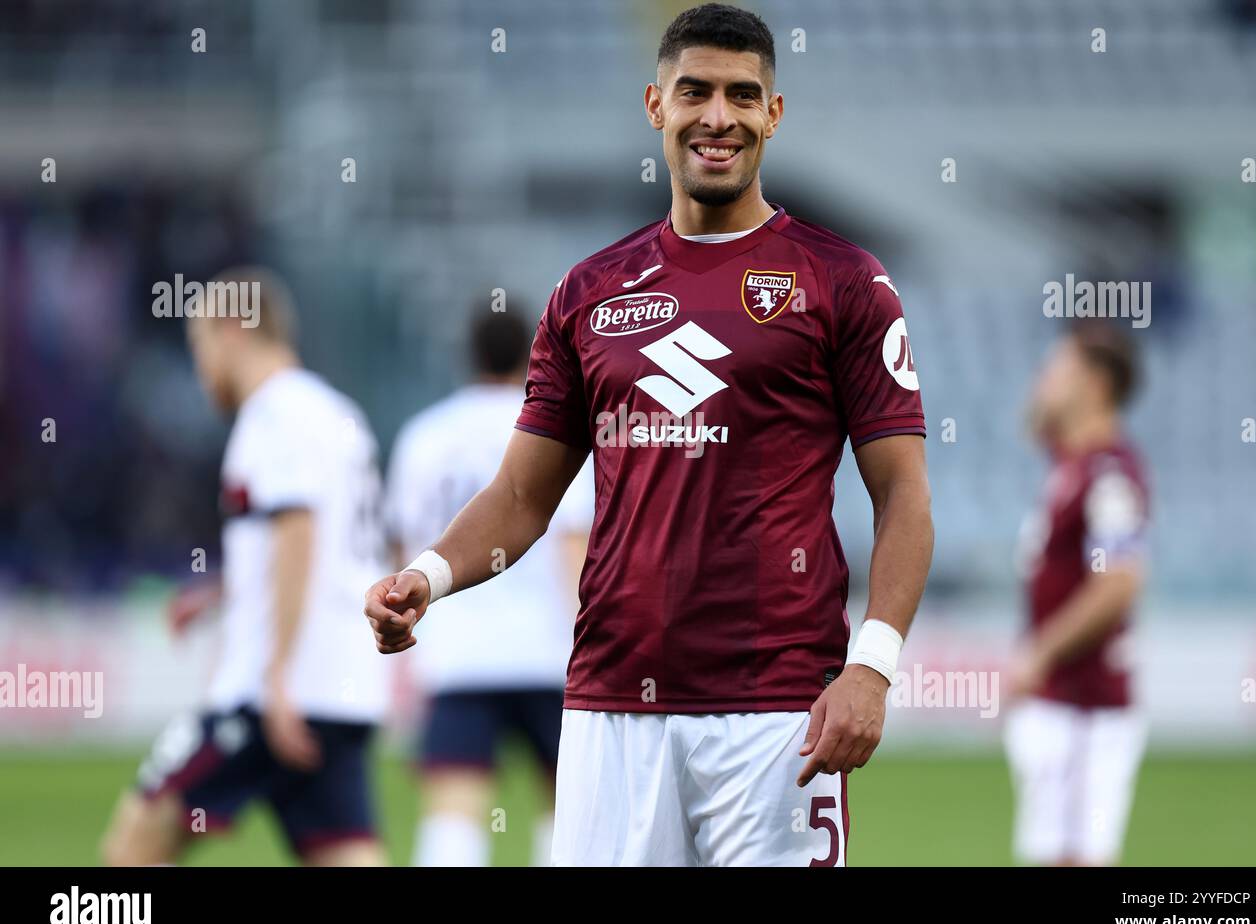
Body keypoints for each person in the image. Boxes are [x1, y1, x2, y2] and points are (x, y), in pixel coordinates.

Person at [364, 3, 933, 866]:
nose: (718, 117)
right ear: (654, 105)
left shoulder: (845, 282)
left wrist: (873, 666)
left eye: (743, 96)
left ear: (773, 115)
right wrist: (425, 576)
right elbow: (522, 496)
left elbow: (903, 495)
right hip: (609, 709)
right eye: (694, 91)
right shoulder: (586, 294)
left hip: (778, 711)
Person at [102, 267, 392, 866]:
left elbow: (299, 531)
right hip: (345, 687)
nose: (202, 368)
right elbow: (332, 544)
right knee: (346, 855)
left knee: (135, 840)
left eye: (200, 345)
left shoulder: (273, 416)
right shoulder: (339, 415)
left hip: (272, 695)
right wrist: (223, 592)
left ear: (234, 330)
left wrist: (278, 676)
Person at [387, 309, 591, 866]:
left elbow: (408, 556)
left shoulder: (424, 436)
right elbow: (571, 551)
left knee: (454, 811)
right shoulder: (554, 430)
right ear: (530, 357)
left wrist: (403, 665)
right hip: (548, 653)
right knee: (567, 807)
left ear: (470, 356)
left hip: (457, 655)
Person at [1006, 318, 1150, 866]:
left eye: (1057, 369)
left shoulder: (1110, 475)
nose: (1043, 380)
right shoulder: (1071, 468)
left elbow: (1119, 582)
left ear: (1095, 384)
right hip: (1064, 703)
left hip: (1085, 705)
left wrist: (1042, 651)